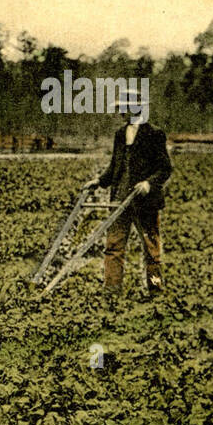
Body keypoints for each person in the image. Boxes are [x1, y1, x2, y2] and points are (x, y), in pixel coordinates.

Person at [85, 89, 173, 296]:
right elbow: (116, 166)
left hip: (145, 202)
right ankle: (111, 290)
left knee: (151, 249)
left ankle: (156, 289)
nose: (120, 113)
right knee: (114, 246)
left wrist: (148, 184)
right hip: (119, 200)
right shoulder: (119, 134)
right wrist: (99, 181)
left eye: (123, 109)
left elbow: (164, 168)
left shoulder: (154, 134)